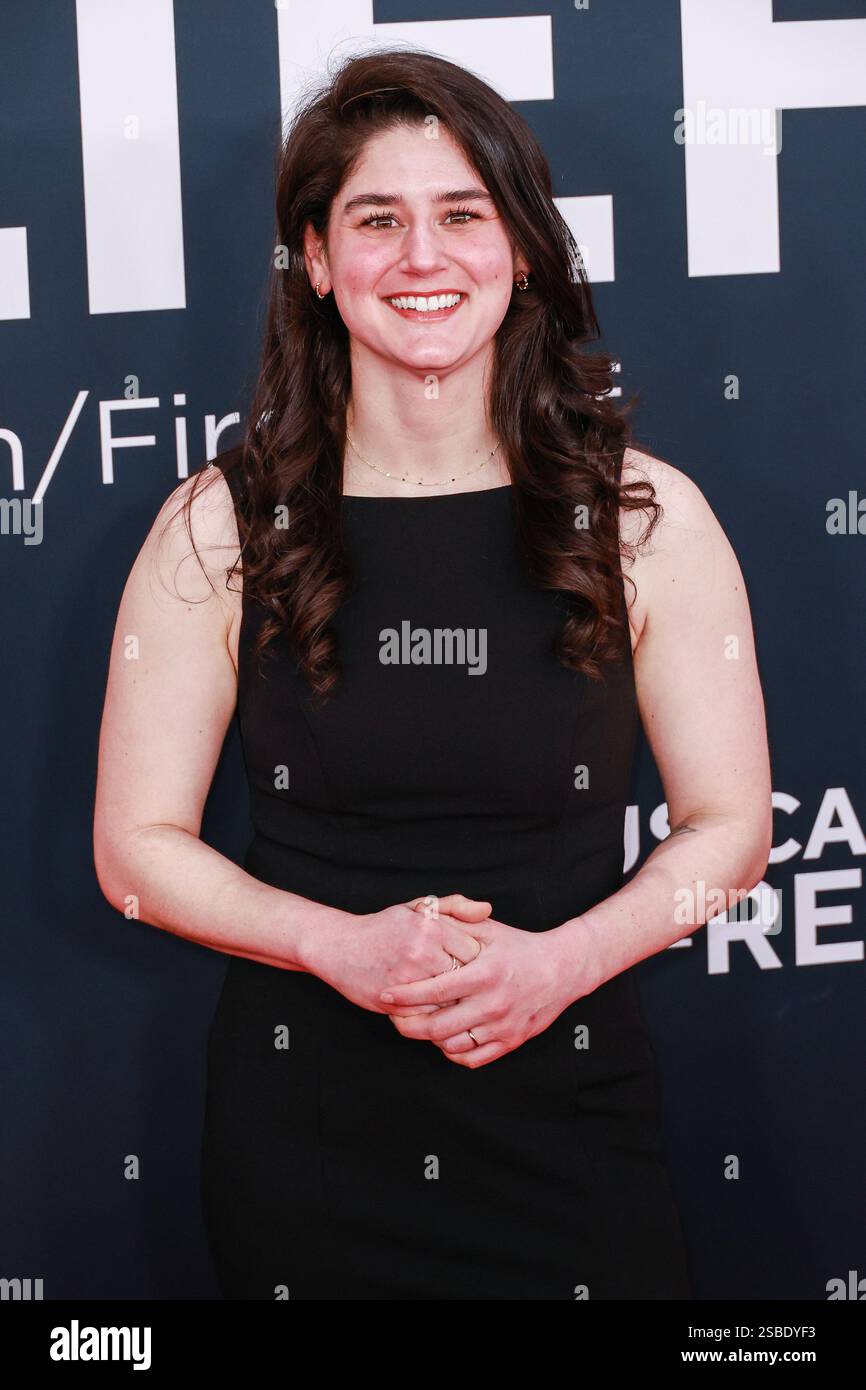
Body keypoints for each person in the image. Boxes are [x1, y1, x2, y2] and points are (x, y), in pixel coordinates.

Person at [93, 48, 772, 1300]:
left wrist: (554, 965)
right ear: (314, 256)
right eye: (376, 219)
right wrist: (335, 946)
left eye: (462, 215)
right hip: (306, 1145)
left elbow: (729, 833)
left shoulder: (639, 517)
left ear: (519, 251)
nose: (422, 256)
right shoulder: (221, 524)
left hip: (569, 1129)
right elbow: (134, 850)